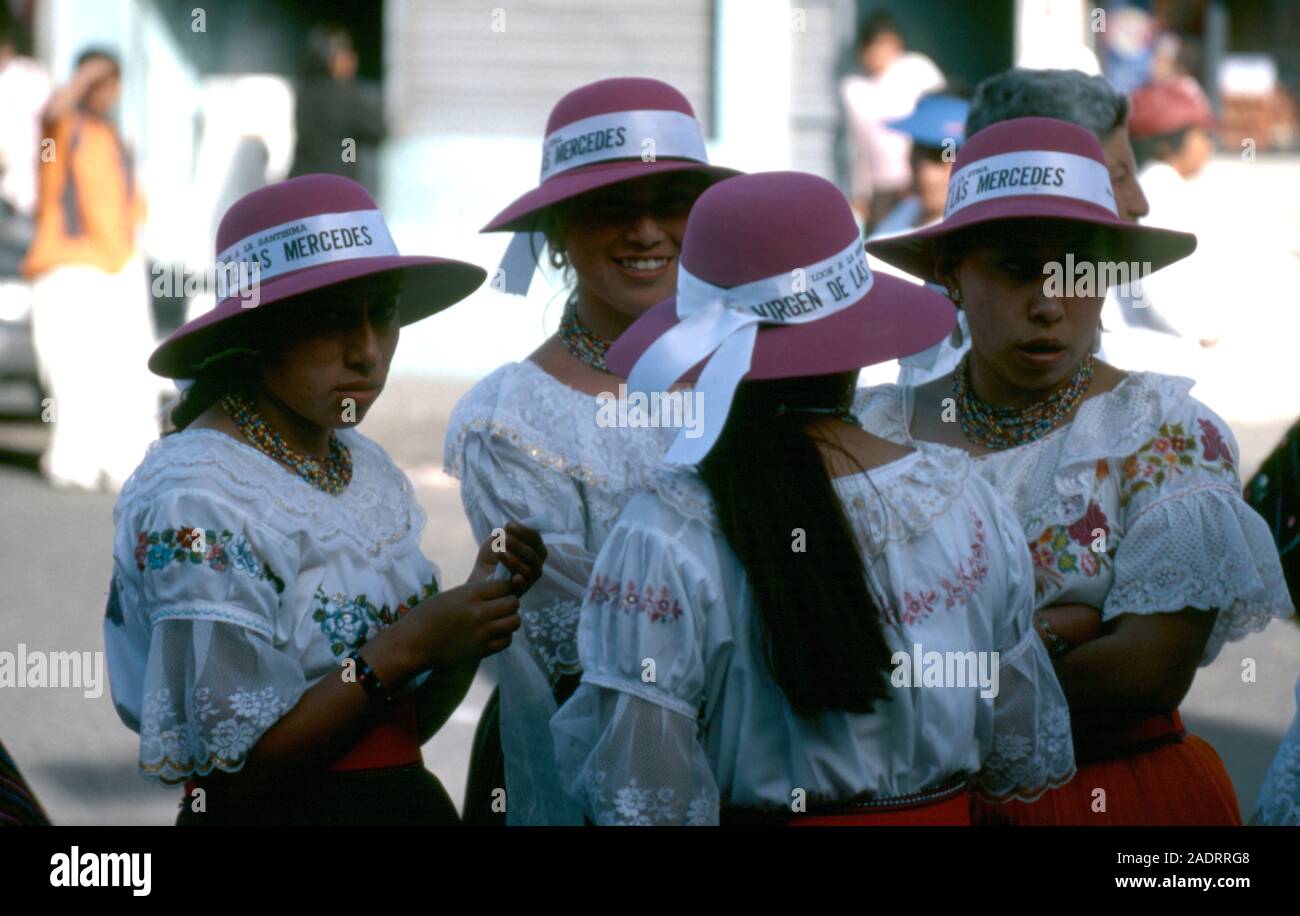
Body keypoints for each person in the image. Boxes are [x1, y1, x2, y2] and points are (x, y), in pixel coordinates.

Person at [551, 171, 1076, 825]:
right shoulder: (967, 504)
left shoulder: (666, 534)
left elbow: (645, 800)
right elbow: (1012, 758)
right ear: (858, 339)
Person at [859, 117, 1295, 825]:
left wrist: (912, 683)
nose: (1050, 303)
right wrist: (1063, 631)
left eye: (1077, 271)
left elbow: (1147, 672)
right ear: (950, 273)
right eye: (1014, 267)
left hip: (1116, 804)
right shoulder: (874, 429)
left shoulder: (1163, 431)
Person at [104, 174, 547, 825]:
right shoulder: (199, 496)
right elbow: (236, 779)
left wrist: (470, 618)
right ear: (257, 330)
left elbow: (399, 731)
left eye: (384, 313)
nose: (367, 352)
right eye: (332, 318)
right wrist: (408, 646)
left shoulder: (358, 463)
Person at [443, 77, 738, 825]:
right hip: (594, 765)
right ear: (559, 232)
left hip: (768, 757)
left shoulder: (765, 367)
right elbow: (579, 645)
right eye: (612, 208)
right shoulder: (514, 419)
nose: (645, 232)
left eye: (670, 203)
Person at [21, 48, 156, 492]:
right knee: (72, 372)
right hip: (67, 266)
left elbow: (132, 211)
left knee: (123, 375)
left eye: (114, 82)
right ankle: (73, 463)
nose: (109, 91)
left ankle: (121, 466)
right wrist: (87, 73)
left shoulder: (115, 138)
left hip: (116, 268)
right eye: (101, 81)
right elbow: (56, 108)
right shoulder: (60, 126)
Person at [860, 88, 970, 388]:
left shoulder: (970, 243)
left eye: (939, 157)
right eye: (919, 153)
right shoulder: (900, 214)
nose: (924, 172)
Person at [1127, 77, 1222, 350]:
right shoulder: (1158, 190)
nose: (1209, 145)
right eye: (1203, 134)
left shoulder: (1157, 185)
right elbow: (1157, 282)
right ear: (1168, 142)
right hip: (1156, 350)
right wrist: (1201, 332)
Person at [841, 12, 943, 233]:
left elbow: (941, 114)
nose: (876, 53)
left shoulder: (917, 69)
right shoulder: (854, 89)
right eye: (870, 46)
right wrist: (860, 191)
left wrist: (926, 170)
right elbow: (857, 145)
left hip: (916, 181)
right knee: (882, 242)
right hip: (881, 189)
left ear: (896, 42)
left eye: (882, 44)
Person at [288, 24, 386, 195]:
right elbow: (378, 130)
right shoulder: (345, 95)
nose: (353, 60)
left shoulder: (304, 92)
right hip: (336, 189)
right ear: (332, 60)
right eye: (346, 54)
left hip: (301, 186)